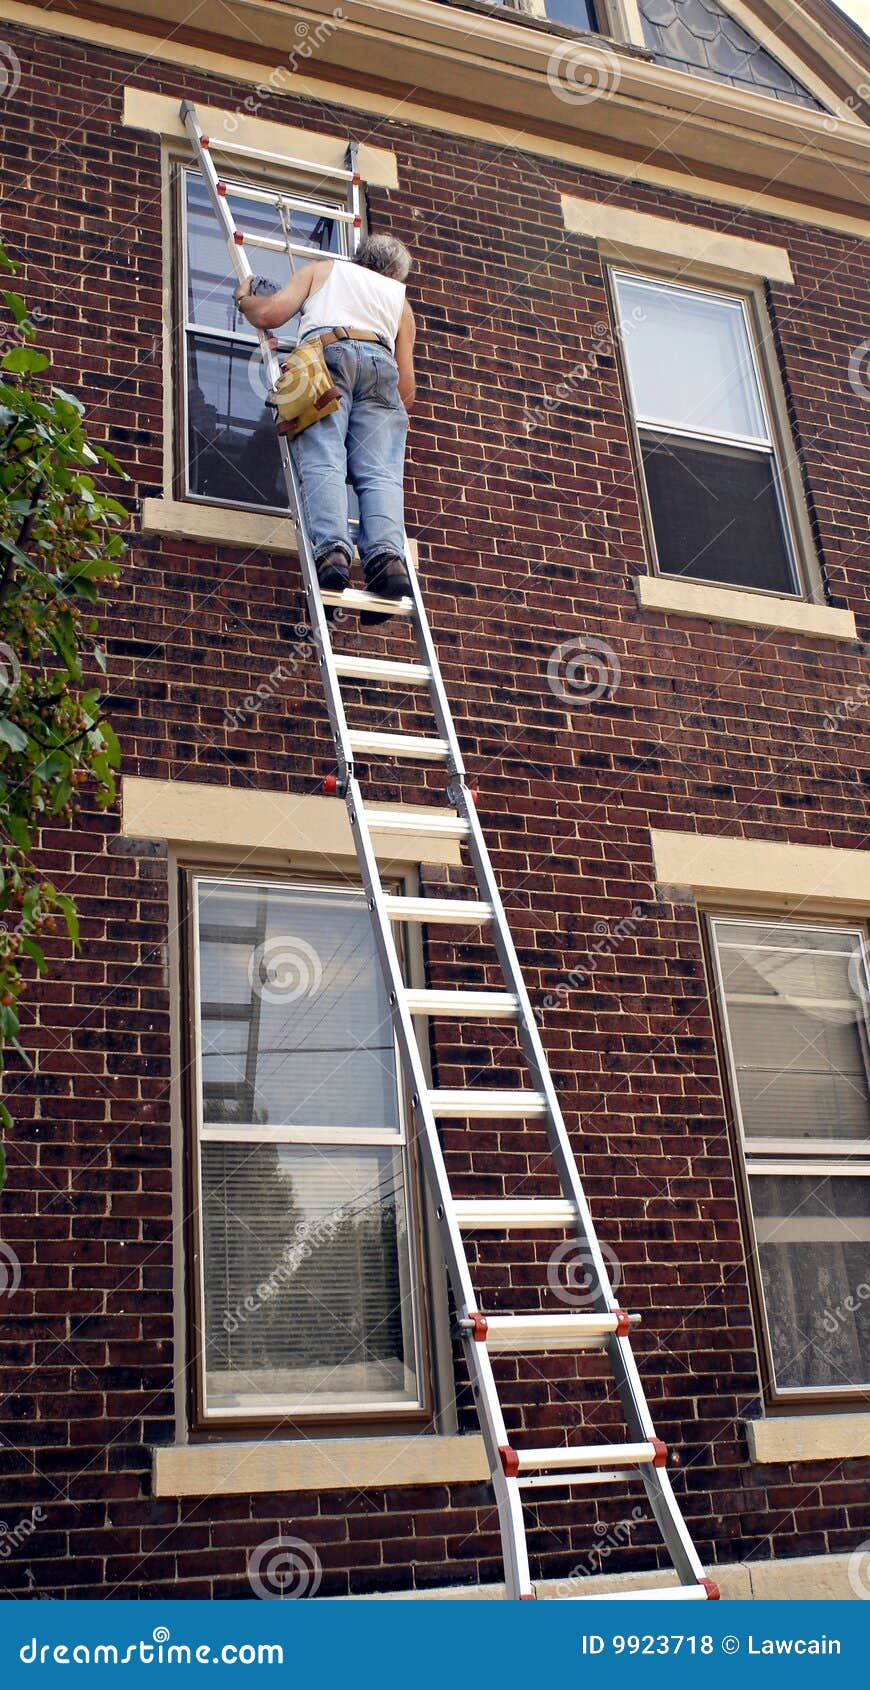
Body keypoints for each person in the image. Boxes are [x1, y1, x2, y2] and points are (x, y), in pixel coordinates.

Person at [236, 233, 416, 621]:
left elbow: (269, 315)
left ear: (360, 258)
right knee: (381, 475)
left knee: (324, 456)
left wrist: (245, 299)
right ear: (395, 274)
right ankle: (387, 563)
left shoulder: (323, 271)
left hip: (326, 357)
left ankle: (333, 554)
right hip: (381, 367)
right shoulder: (400, 302)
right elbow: (406, 391)